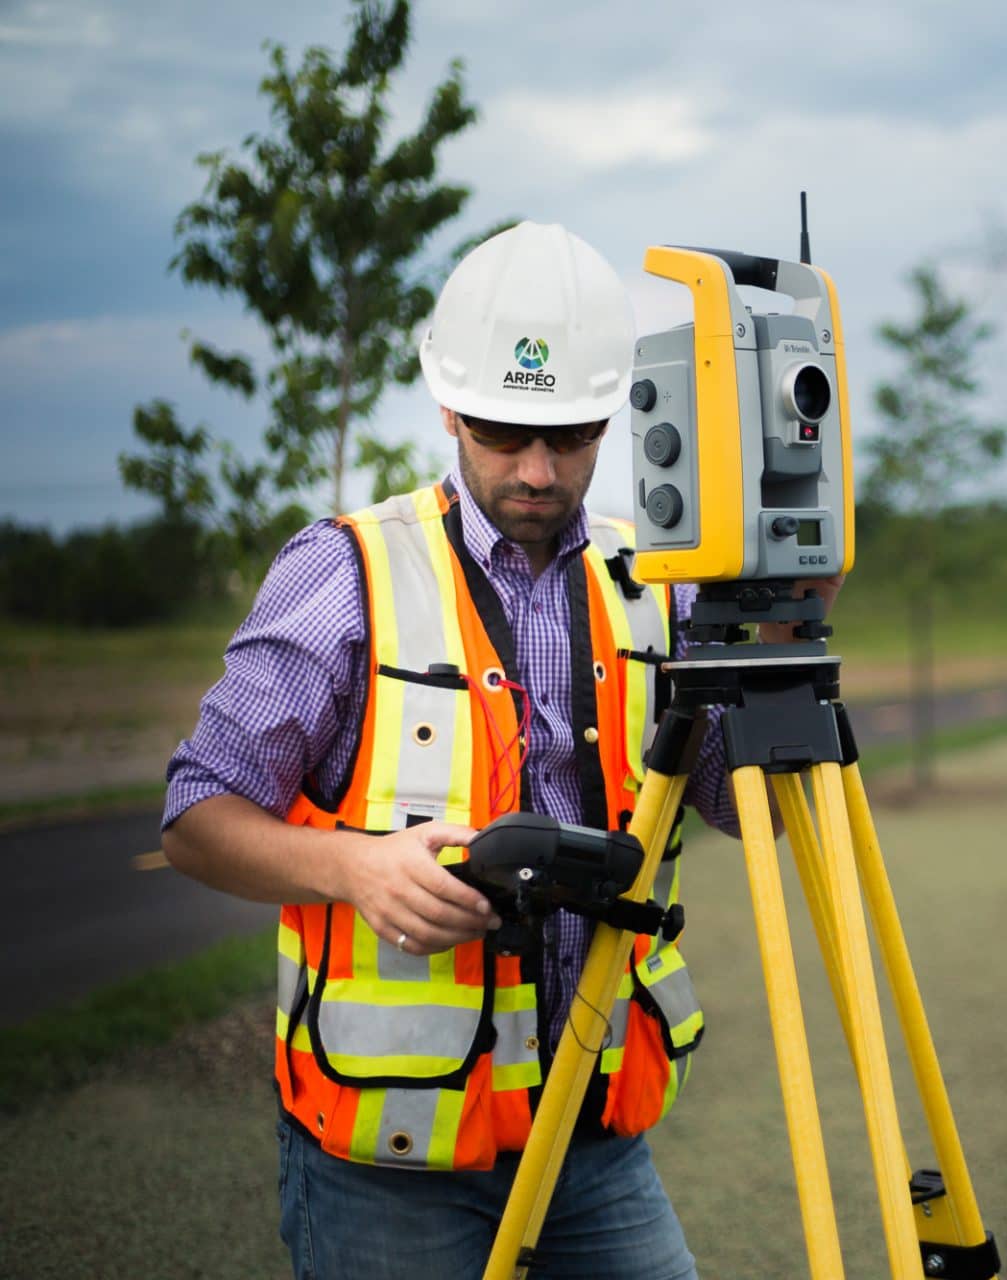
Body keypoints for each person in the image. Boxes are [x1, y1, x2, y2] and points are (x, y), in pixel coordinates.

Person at [163, 221, 833, 1278]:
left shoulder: (660, 580)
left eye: (568, 436)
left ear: (614, 414)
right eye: (502, 430)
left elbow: (747, 807)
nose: (534, 468)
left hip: (594, 1137)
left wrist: (786, 639)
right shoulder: (343, 574)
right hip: (392, 1159)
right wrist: (359, 868)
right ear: (447, 405)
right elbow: (198, 815)